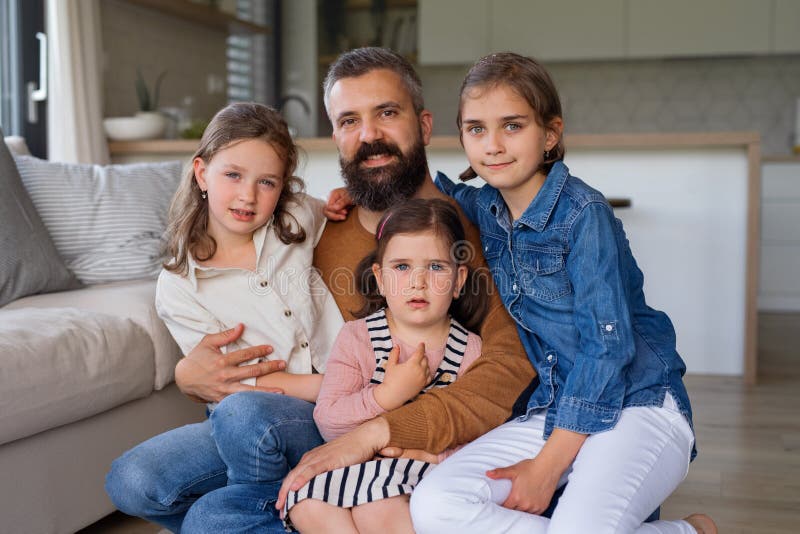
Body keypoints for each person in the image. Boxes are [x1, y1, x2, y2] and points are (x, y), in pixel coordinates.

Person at [154, 48, 534, 533]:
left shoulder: (475, 231)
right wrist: (189, 376)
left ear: (423, 125)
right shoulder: (314, 229)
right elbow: (244, 279)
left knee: (211, 519)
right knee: (139, 480)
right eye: (349, 120)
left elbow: (510, 369)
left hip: (411, 435)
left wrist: (382, 431)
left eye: (387, 114)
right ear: (335, 134)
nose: (369, 135)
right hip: (311, 414)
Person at [407, 53, 717, 534]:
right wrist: (342, 196)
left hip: (639, 402)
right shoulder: (485, 206)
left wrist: (547, 468)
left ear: (550, 134)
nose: (492, 145)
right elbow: (434, 192)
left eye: (512, 126)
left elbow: (608, 350)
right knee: (434, 505)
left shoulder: (582, 214)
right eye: (475, 129)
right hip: (556, 405)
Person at [105, 102, 344, 531]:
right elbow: (227, 385)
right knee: (129, 480)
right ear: (201, 173)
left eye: (266, 182)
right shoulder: (179, 284)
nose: (248, 196)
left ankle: (243, 516)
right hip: (248, 423)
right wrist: (323, 385)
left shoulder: (294, 218)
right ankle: (276, 519)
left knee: (213, 499)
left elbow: (338, 210)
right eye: (232, 175)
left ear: (283, 187)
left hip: (319, 417)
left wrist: (344, 200)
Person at [286, 199, 488, 533]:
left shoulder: (470, 349)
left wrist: (439, 457)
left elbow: (482, 435)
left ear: (458, 280)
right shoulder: (359, 338)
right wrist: (386, 396)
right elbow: (329, 421)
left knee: (376, 509)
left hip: (423, 472)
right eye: (402, 267)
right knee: (305, 503)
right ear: (379, 278)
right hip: (357, 464)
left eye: (436, 267)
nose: (418, 281)